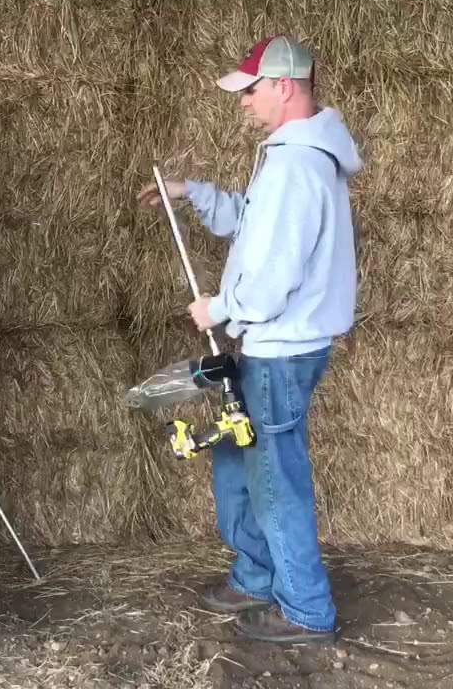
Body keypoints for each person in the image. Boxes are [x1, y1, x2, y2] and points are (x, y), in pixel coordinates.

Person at [137, 34, 362, 644]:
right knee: (239, 460)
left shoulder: (296, 165)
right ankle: (256, 573)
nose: (246, 102)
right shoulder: (292, 156)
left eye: (252, 89)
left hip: (281, 349)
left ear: (284, 86)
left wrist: (221, 308)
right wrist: (193, 195)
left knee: (272, 478)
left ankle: (306, 610)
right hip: (274, 345)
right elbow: (252, 220)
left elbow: (274, 274)